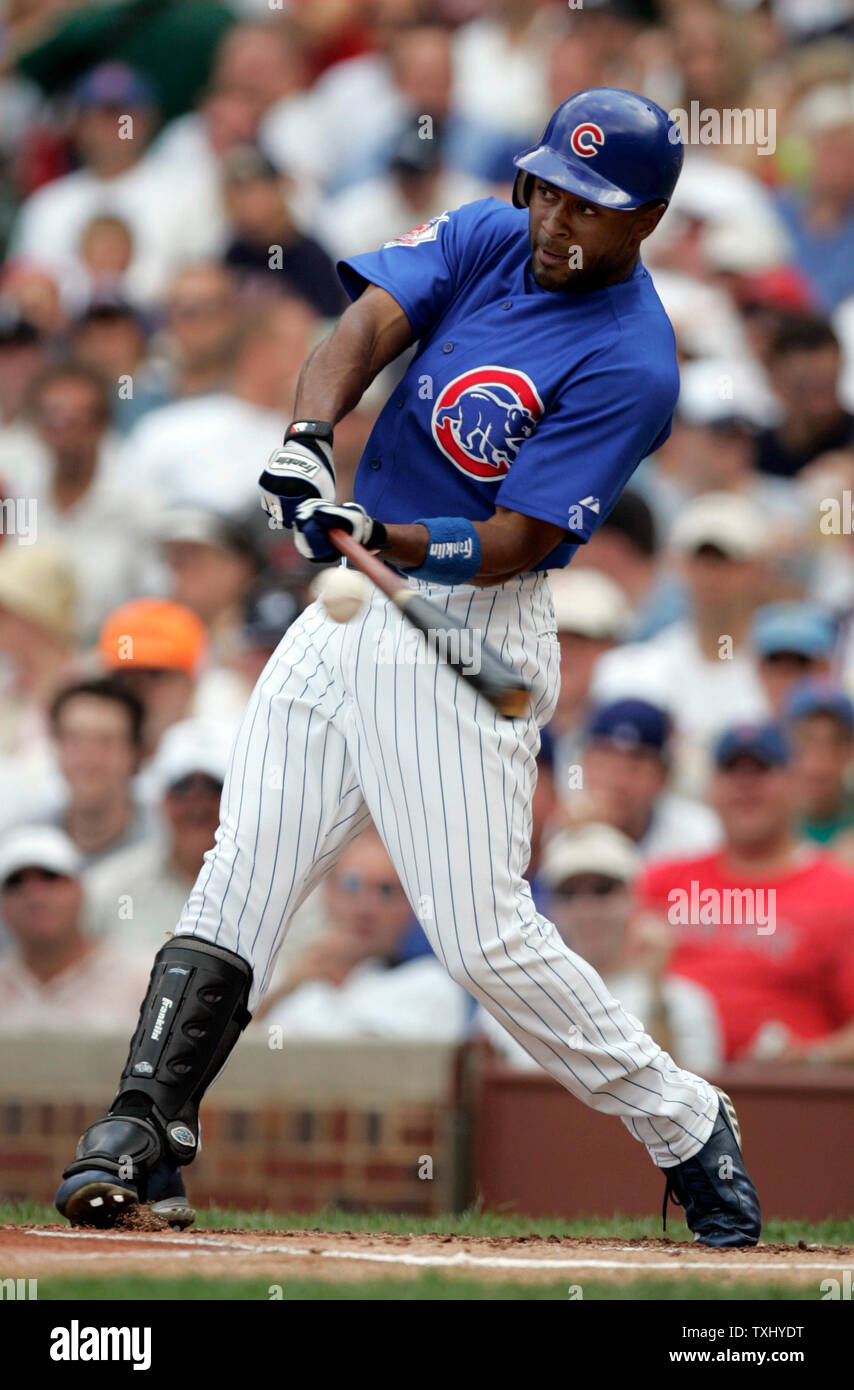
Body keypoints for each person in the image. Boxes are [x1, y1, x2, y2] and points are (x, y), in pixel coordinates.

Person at [55, 89, 760, 1248]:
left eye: (590, 206)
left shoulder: (631, 361)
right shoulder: (492, 231)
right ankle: (143, 1125)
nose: (556, 221)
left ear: (648, 220)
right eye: (550, 189)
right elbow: (367, 327)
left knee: (482, 935)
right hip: (347, 611)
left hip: (469, 619)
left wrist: (389, 538)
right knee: (249, 860)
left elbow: (522, 540)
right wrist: (306, 436)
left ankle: (683, 1122)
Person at [639, 722, 854, 1066]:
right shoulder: (661, 879)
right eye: (731, 771)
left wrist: (813, 1057)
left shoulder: (840, 893)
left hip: (785, 1099)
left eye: (761, 771)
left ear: (794, 783)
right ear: (712, 788)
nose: (745, 787)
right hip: (666, 1088)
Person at [480, 823, 723, 1075]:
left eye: (602, 889)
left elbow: (686, 1103)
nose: (587, 909)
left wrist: (656, 992)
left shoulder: (683, 1001)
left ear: (632, 897)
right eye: (569, 893)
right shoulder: (512, 1000)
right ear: (551, 906)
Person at [256, 827, 467, 1041]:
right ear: (327, 891)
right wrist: (291, 984)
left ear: (412, 904)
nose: (366, 907)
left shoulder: (432, 986)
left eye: (386, 890)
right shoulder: (276, 977)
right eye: (352, 883)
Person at [86, 719, 229, 953]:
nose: (197, 803)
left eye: (214, 787)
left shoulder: (274, 888)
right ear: (159, 798)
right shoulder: (110, 888)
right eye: (181, 787)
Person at [0, 825, 152, 1035]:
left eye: (50, 877)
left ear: (80, 890)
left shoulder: (145, 981)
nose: (35, 896)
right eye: (15, 883)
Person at [570, 698, 722, 861]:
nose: (617, 781)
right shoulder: (559, 828)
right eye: (605, 762)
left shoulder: (700, 837)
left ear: (663, 776)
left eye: (635, 767)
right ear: (584, 763)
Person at [48, 677, 148, 867]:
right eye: (75, 740)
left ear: (135, 754)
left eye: (106, 742)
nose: (89, 759)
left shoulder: (167, 844)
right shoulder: (24, 836)